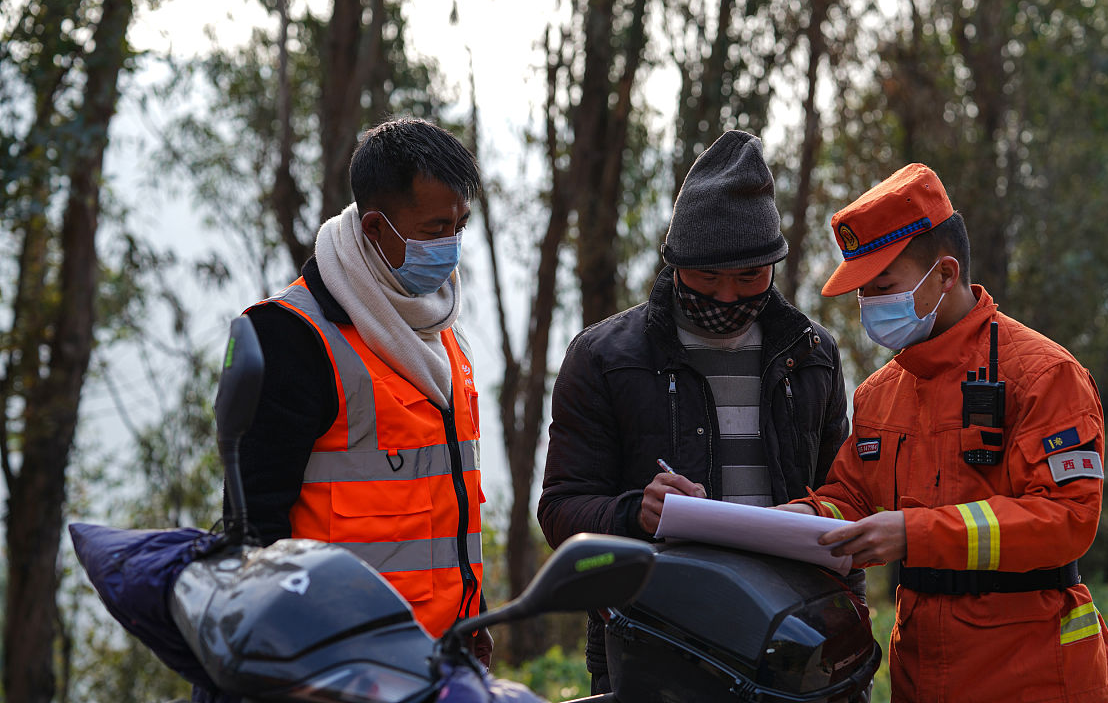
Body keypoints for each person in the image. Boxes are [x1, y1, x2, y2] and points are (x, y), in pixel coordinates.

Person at [780, 163, 1108, 702]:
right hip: (922, 670)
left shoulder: (1043, 375)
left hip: (1035, 672)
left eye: (883, 287)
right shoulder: (879, 393)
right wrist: (809, 518)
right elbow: (854, 497)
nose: (870, 308)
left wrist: (916, 533)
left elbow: (1067, 518)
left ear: (944, 274)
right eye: (863, 293)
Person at [538, 130, 852, 694]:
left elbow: (847, 497)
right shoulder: (605, 357)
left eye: (749, 277)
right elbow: (561, 512)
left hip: (796, 652)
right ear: (676, 262)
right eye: (708, 278)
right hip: (656, 655)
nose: (728, 297)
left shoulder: (812, 355)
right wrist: (639, 512)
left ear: (774, 265)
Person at [231, 118, 491, 664]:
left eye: (460, 224)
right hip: (339, 661)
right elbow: (255, 526)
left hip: (441, 659)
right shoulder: (293, 337)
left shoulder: (441, 327)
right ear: (375, 228)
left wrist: (474, 615)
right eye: (433, 227)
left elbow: (445, 502)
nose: (451, 245)